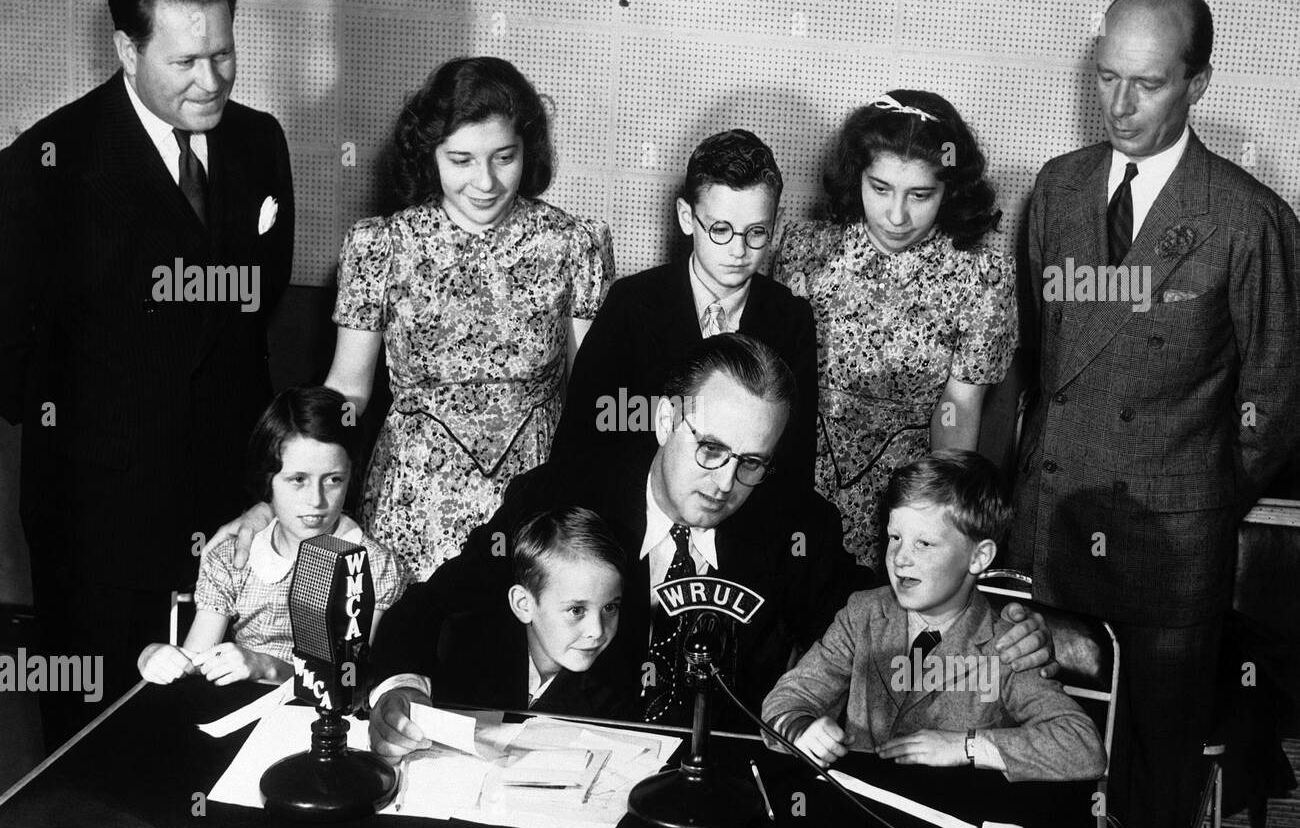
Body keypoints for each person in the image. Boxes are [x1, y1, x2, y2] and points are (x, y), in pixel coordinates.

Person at [366, 334, 1055, 756]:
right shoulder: (557, 497)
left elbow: (875, 618)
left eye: (753, 461)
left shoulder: (793, 525)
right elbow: (432, 605)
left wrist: (999, 631)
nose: (727, 482)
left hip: (723, 788)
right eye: (711, 448)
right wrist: (397, 687)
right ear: (667, 417)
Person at [1006, 0, 1300, 828]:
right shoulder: (1057, 191)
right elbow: (1040, 362)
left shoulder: (1247, 221)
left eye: (1149, 84)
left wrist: (1194, 495)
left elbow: (1277, 398)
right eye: (1106, 79)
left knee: (1149, 782)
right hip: (1052, 532)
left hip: (1168, 553)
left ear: (1198, 84)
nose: (1121, 106)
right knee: (1035, 756)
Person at [0, 0, 294, 745]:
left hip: (235, 510)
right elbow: (7, 358)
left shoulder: (261, 143)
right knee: (103, 745)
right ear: (126, 49)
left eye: (224, 55)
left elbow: (252, 319)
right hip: (99, 526)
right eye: (185, 62)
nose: (211, 81)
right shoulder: (44, 167)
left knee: (229, 738)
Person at [319, 56, 614, 581]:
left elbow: (589, 390)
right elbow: (349, 389)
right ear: (429, 156)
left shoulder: (573, 244)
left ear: (529, 150)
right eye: (461, 160)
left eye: (505, 157)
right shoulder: (381, 245)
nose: (485, 182)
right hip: (413, 503)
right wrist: (308, 465)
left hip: (533, 504)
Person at [772, 91, 1016, 569]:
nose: (896, 215)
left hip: (902, 504)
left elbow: (958, 408)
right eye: (879, 188)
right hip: (791, 485)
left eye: (920, 195)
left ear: (951, 191)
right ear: (856, 176)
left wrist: (934, 525)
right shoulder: (802, 249)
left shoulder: (981, 278)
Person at [763, 451, 1106, 783]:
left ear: (979, 556)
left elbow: (1083, 747)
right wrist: (799, 727)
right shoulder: (863, 614)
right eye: (894, 537)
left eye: (924, 544)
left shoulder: (1007, 643)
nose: (900, 558)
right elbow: (787, 698)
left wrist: (966, 746)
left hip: (953, 824)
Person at [551, 129, 817, 488]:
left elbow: (794, 456)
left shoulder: (791, 319)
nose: (738, 251)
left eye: (756, 232)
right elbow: (589, 428)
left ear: (777, 222)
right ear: (686, 217)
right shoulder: (631, 302)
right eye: (721, 229)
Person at [137, 387, 406, 687]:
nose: (317, 501)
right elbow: (195, 661)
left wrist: (268, 667)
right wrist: (153, 655)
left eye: (333, 480)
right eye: (298, 480)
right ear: (268, 481)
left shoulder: (374, 564)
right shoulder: (232, 559)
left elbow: (349, 681)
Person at [369, 506, 628, 760]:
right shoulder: (463, 643)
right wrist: (402, 690)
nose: (597, 630)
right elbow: (413, 615)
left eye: (610, 607)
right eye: (576, 610)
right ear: (523, 605)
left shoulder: (616, 690)